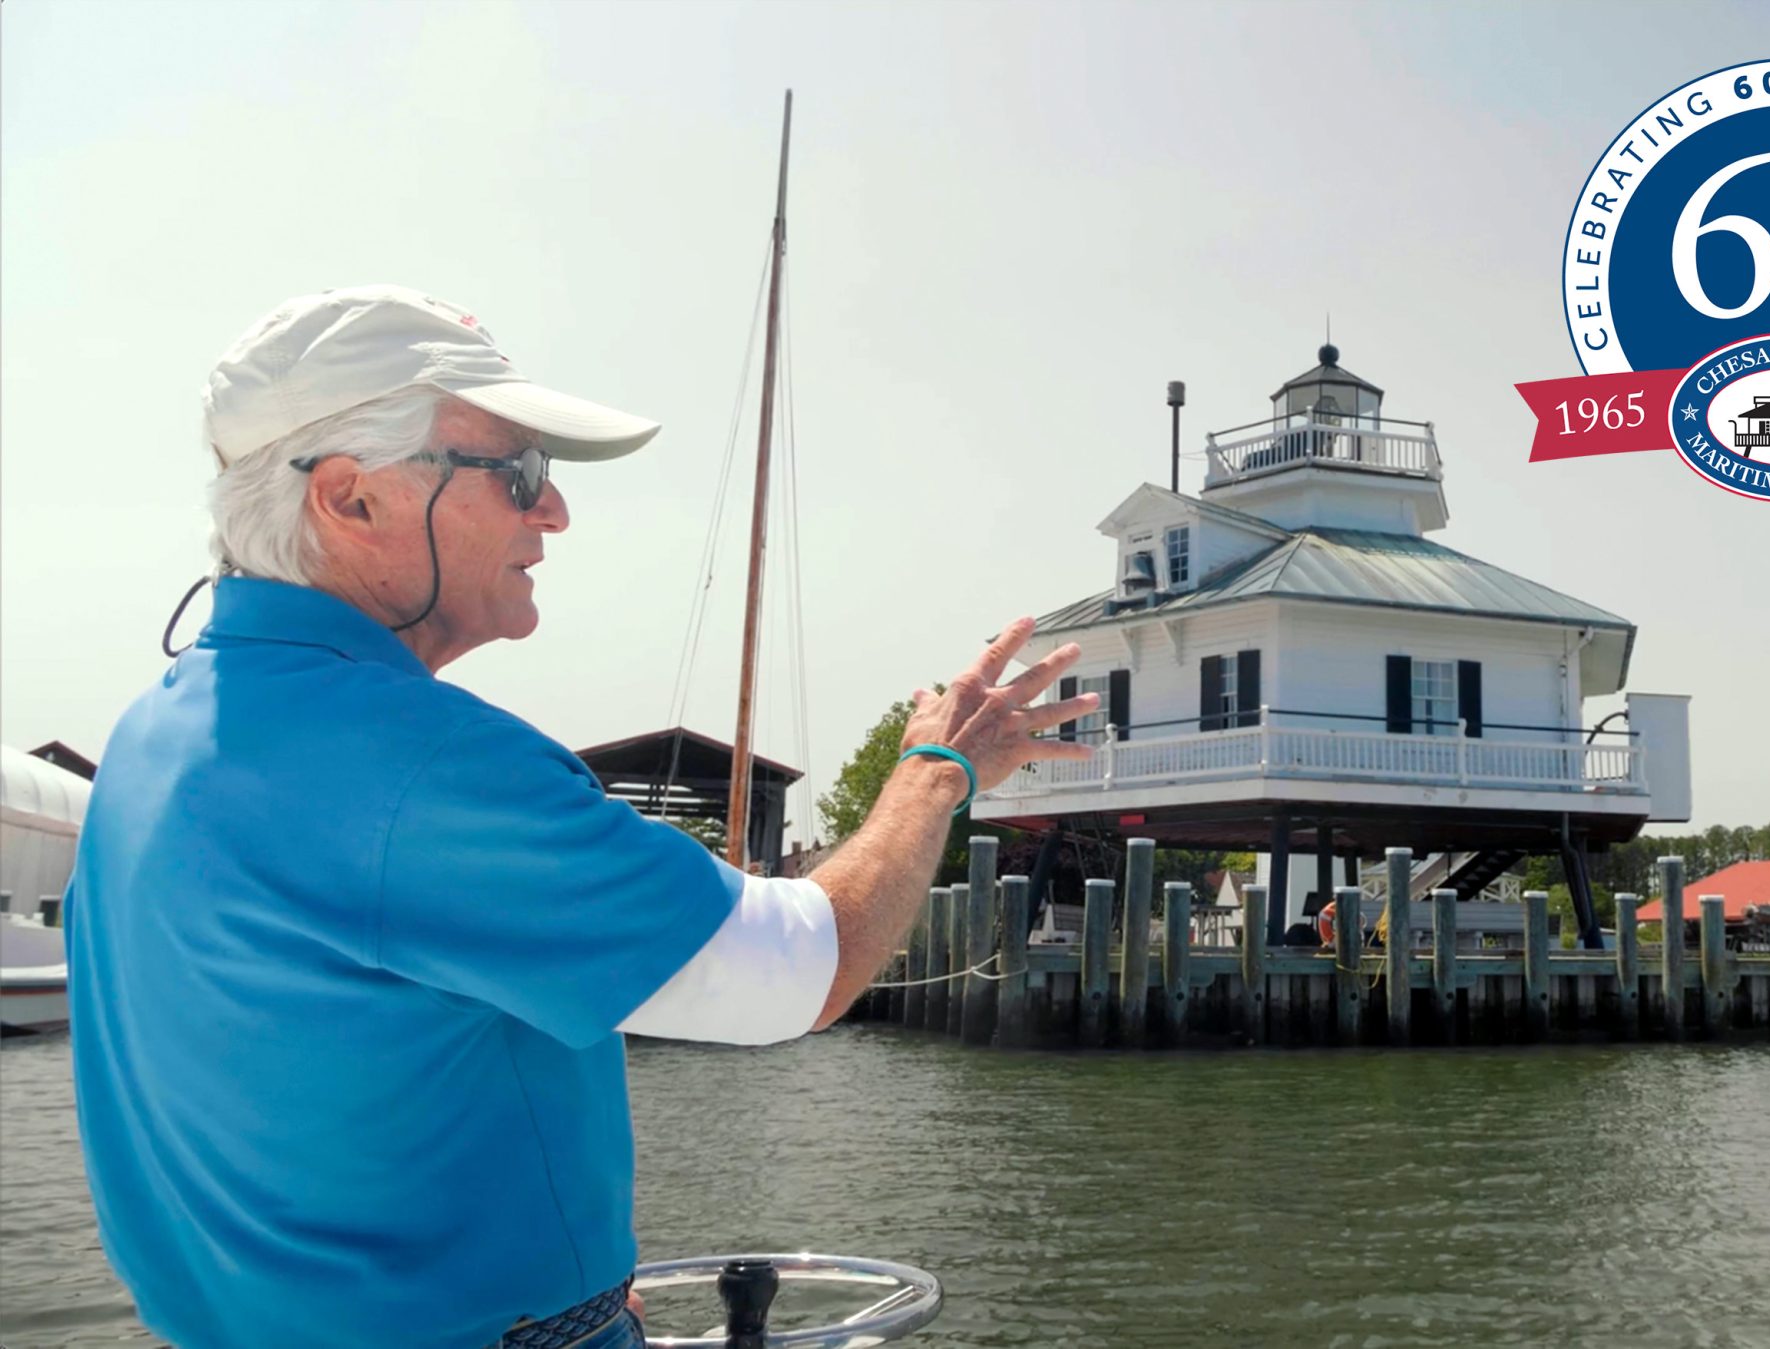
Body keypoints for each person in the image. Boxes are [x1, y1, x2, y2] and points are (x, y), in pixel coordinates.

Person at [67, 285, 1102, 1349]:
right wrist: (935, 769)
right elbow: (798, 970)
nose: (552, 511)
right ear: (349, 497)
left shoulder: (154, 733)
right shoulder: (420, 765)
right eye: (514, 474)